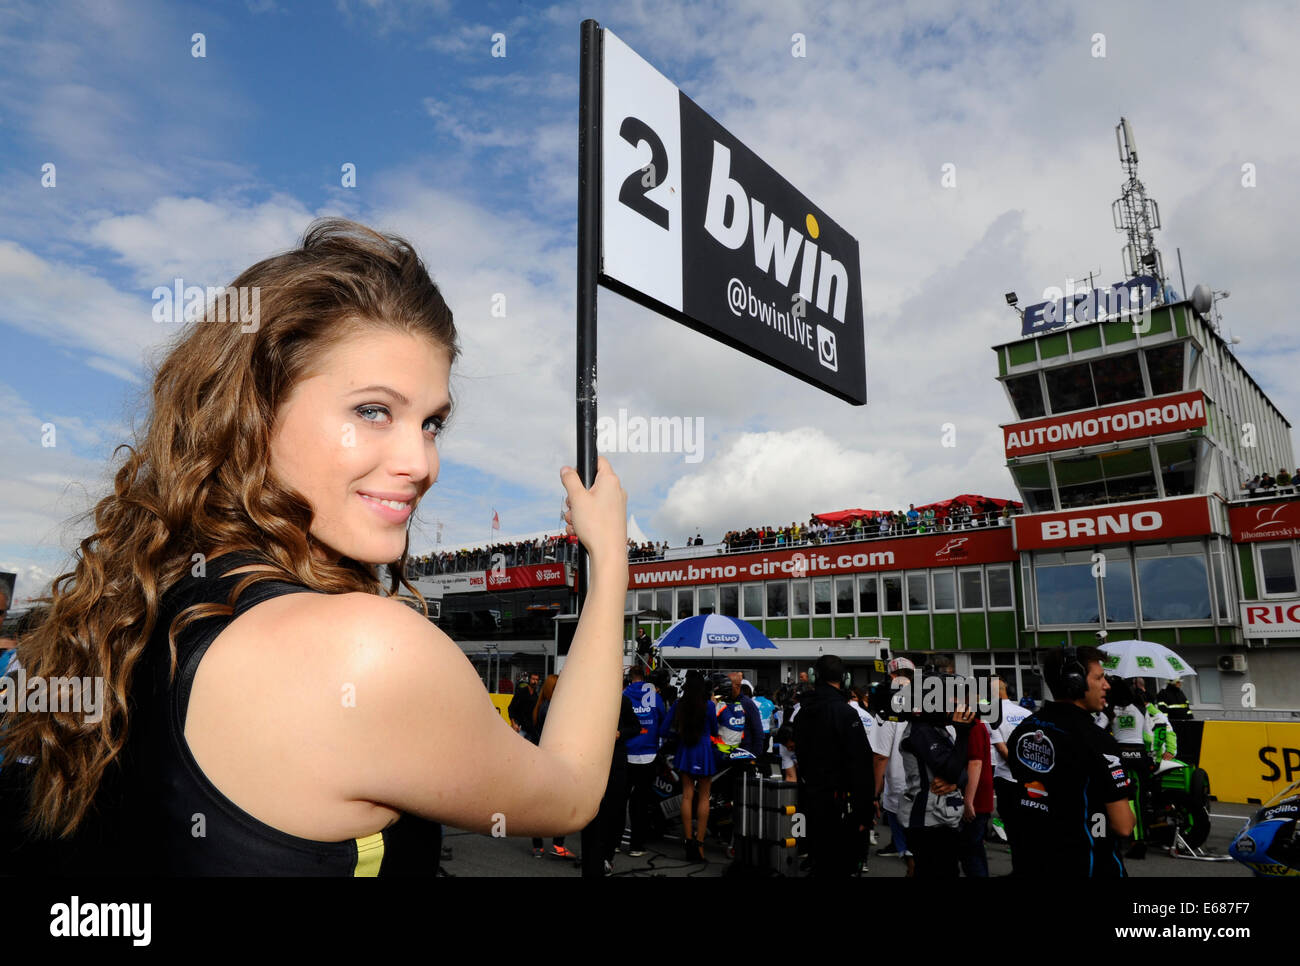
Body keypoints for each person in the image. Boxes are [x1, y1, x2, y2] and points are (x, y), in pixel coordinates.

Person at [0, 219, 630, 876]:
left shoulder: (141, 600)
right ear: (256, 409)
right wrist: (610, 562)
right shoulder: (363, 650)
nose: (420, 462)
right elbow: (572, 792)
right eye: (372, 411)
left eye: (432, 422)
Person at [1007, 647, 1135, 877]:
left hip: (1031, 864)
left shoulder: (1023, 729)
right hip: (1086, 864)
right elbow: (1123, 826)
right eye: (1099, 677)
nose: (1106, 685)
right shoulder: (1097, 741)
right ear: (1074, 682)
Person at [792, 654, 874, 876]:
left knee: (819, 860)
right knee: (840, 865)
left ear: (813, 677)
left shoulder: (802, 712)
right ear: (845, 680)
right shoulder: (846, 713)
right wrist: (864, 813)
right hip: (840, 804)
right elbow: (862, 765)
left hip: (811, 799)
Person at [581, 692, 642, 876]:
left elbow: (635, 727)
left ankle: (607, 856)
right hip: (591, 762)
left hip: (615, 763)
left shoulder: (621, 700)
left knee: (613, 810)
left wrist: (619, 733)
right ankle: (594, 857)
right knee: (593, 812)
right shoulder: (587, 699)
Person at [665, 670, 718, 862]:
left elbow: (665, 729)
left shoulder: (679, 704)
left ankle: (688, 842)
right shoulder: (709, 705)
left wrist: (677, 736)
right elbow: (714, 729)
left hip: (685, 750)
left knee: (687, 795)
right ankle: (700, 845)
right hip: (704, 751)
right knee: (704, 797)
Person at [870, 657, 915, 871]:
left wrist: (874, 794)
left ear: (891, 677)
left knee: (910, 854)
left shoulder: (887, 708)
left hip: (898, 790)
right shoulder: (933, 701)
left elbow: (880, 757)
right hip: (932, 789)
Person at [623, 664, 667, 857]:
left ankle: (614, 842)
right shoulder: (655, 696)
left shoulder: (623, 694)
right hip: (649, 753)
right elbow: (664, 720)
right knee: (641, 802)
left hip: (627, 752)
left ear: (630, 677)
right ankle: (636, 846)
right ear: (645, 676)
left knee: (620, 800)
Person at [508, 671, 541, 742]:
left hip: (530, 730)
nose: (534, 681)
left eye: (536, 680)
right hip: (519, 728)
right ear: (529, 679)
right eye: (533, 679)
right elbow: (510, 708)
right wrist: (513, 724)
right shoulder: (521, 691)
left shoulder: (536, 696)